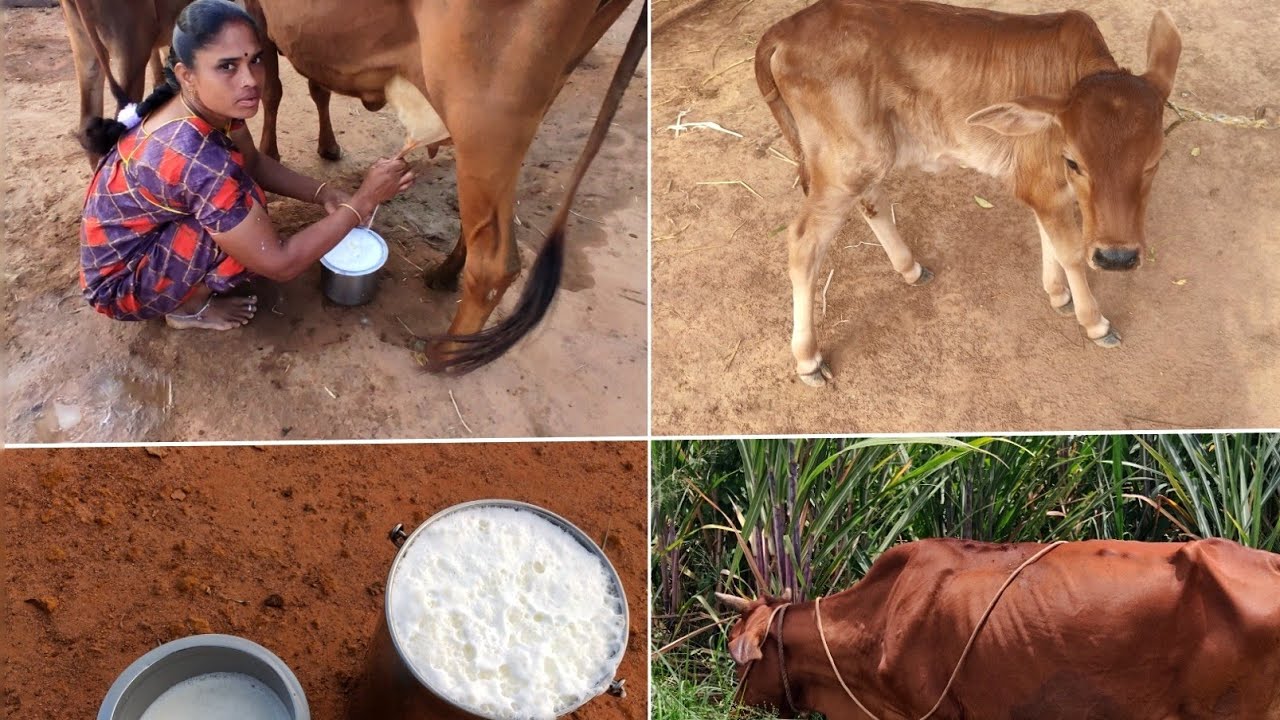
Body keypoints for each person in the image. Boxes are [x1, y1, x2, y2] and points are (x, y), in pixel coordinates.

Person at [78, 0, 415, 330]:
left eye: (255, 60)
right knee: (248, 225)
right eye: (227, 66)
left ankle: (188, 279)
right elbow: (280, 263)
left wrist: (324, 193)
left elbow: (252, 161)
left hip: (138, 243)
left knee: (242, 198)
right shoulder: (197, 159)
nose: (250, 80)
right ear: (186, 75)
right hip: (119, 285)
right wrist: (363, 201)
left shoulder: (206, 106)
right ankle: (188, 307)